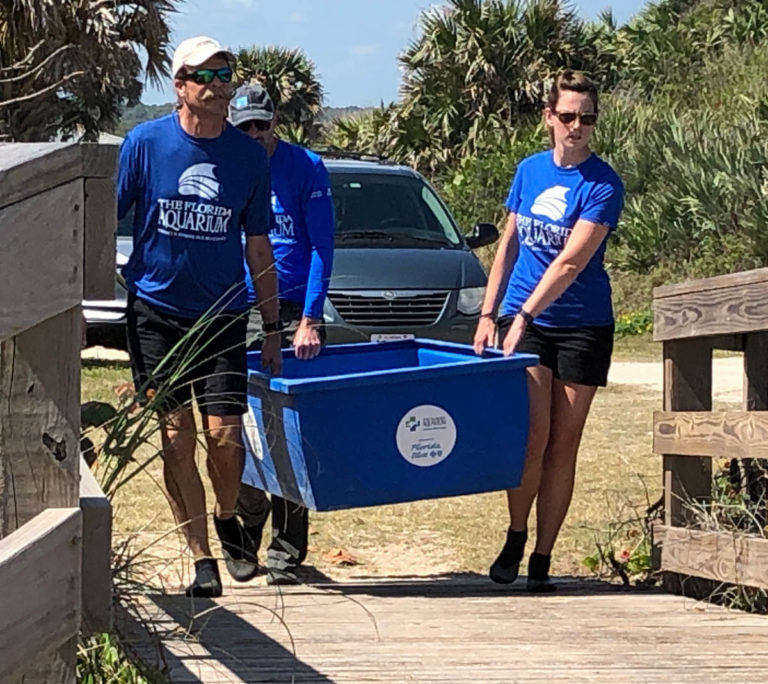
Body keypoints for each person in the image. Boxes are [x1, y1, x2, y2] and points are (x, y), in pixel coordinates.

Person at [117, 36, 282, 598]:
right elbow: (101, 218)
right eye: (204, 76)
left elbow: (258, 245)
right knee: (175, 436)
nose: (217, 85)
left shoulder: (246, 156)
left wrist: (275, 327)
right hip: (155, 312)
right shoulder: (144, 144)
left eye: (224, 74)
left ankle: (228, 513)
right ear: (179, 85)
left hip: (221, 315)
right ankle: (200, 557)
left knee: (226, 434)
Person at [473, 71, 624, 592]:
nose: (577, 127)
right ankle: (515, 536)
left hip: (580, 324)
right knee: (531, 435)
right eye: (568, 117)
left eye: (587, 118)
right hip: (523, 322)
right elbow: (509, 246)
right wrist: (491, 313)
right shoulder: (530, 171)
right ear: (549, 118)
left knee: (564, 441)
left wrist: (524, 317)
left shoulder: (603, 184)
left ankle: (543, 555)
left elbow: (570, 263)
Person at [228, 83, 335, 585]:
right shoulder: (226, 165)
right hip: (237, 309)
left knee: (289, 431)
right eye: (244, 127)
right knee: (238, 427)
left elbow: (321, 246)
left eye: (261, 125)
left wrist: (310, 319)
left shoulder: (305, 167)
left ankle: (287, 550)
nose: (254, 135)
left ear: (275, 124)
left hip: (292, 310)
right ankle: (245, 533)